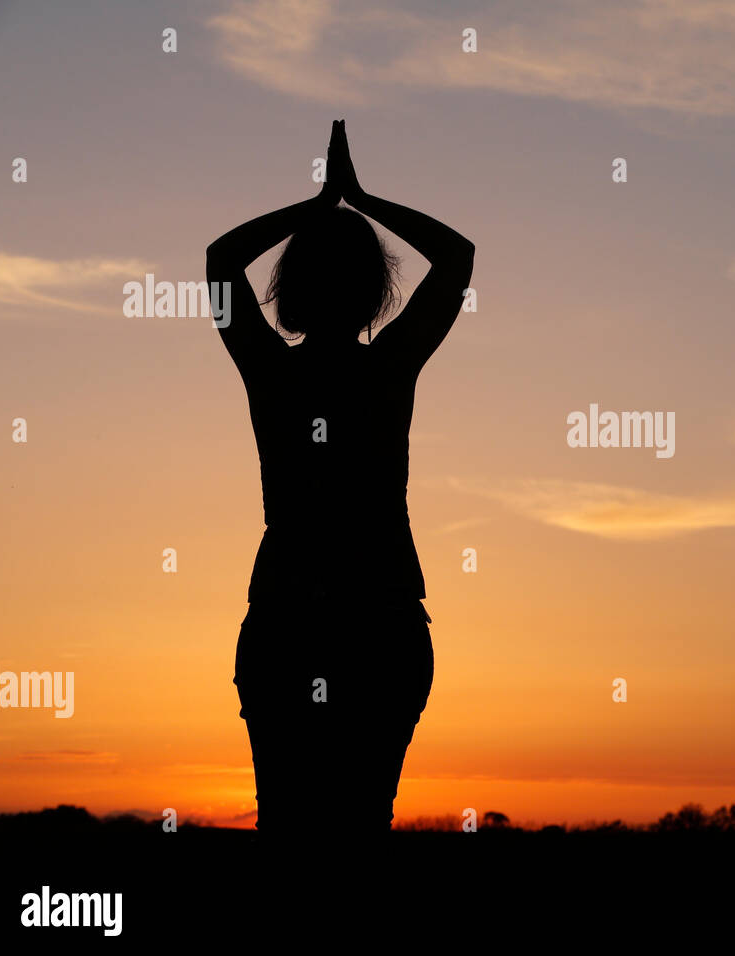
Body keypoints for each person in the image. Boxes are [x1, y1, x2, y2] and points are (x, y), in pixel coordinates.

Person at [206, 120, 474, 835]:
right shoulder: (388, 369)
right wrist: (359, 199)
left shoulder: (272, 371)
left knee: (289, 827)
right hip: (379, 624)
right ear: (374, 291)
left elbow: (221, 259)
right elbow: (455, 257)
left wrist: (321, 204)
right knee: (361, 825)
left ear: (290, 289)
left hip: (290, 621)